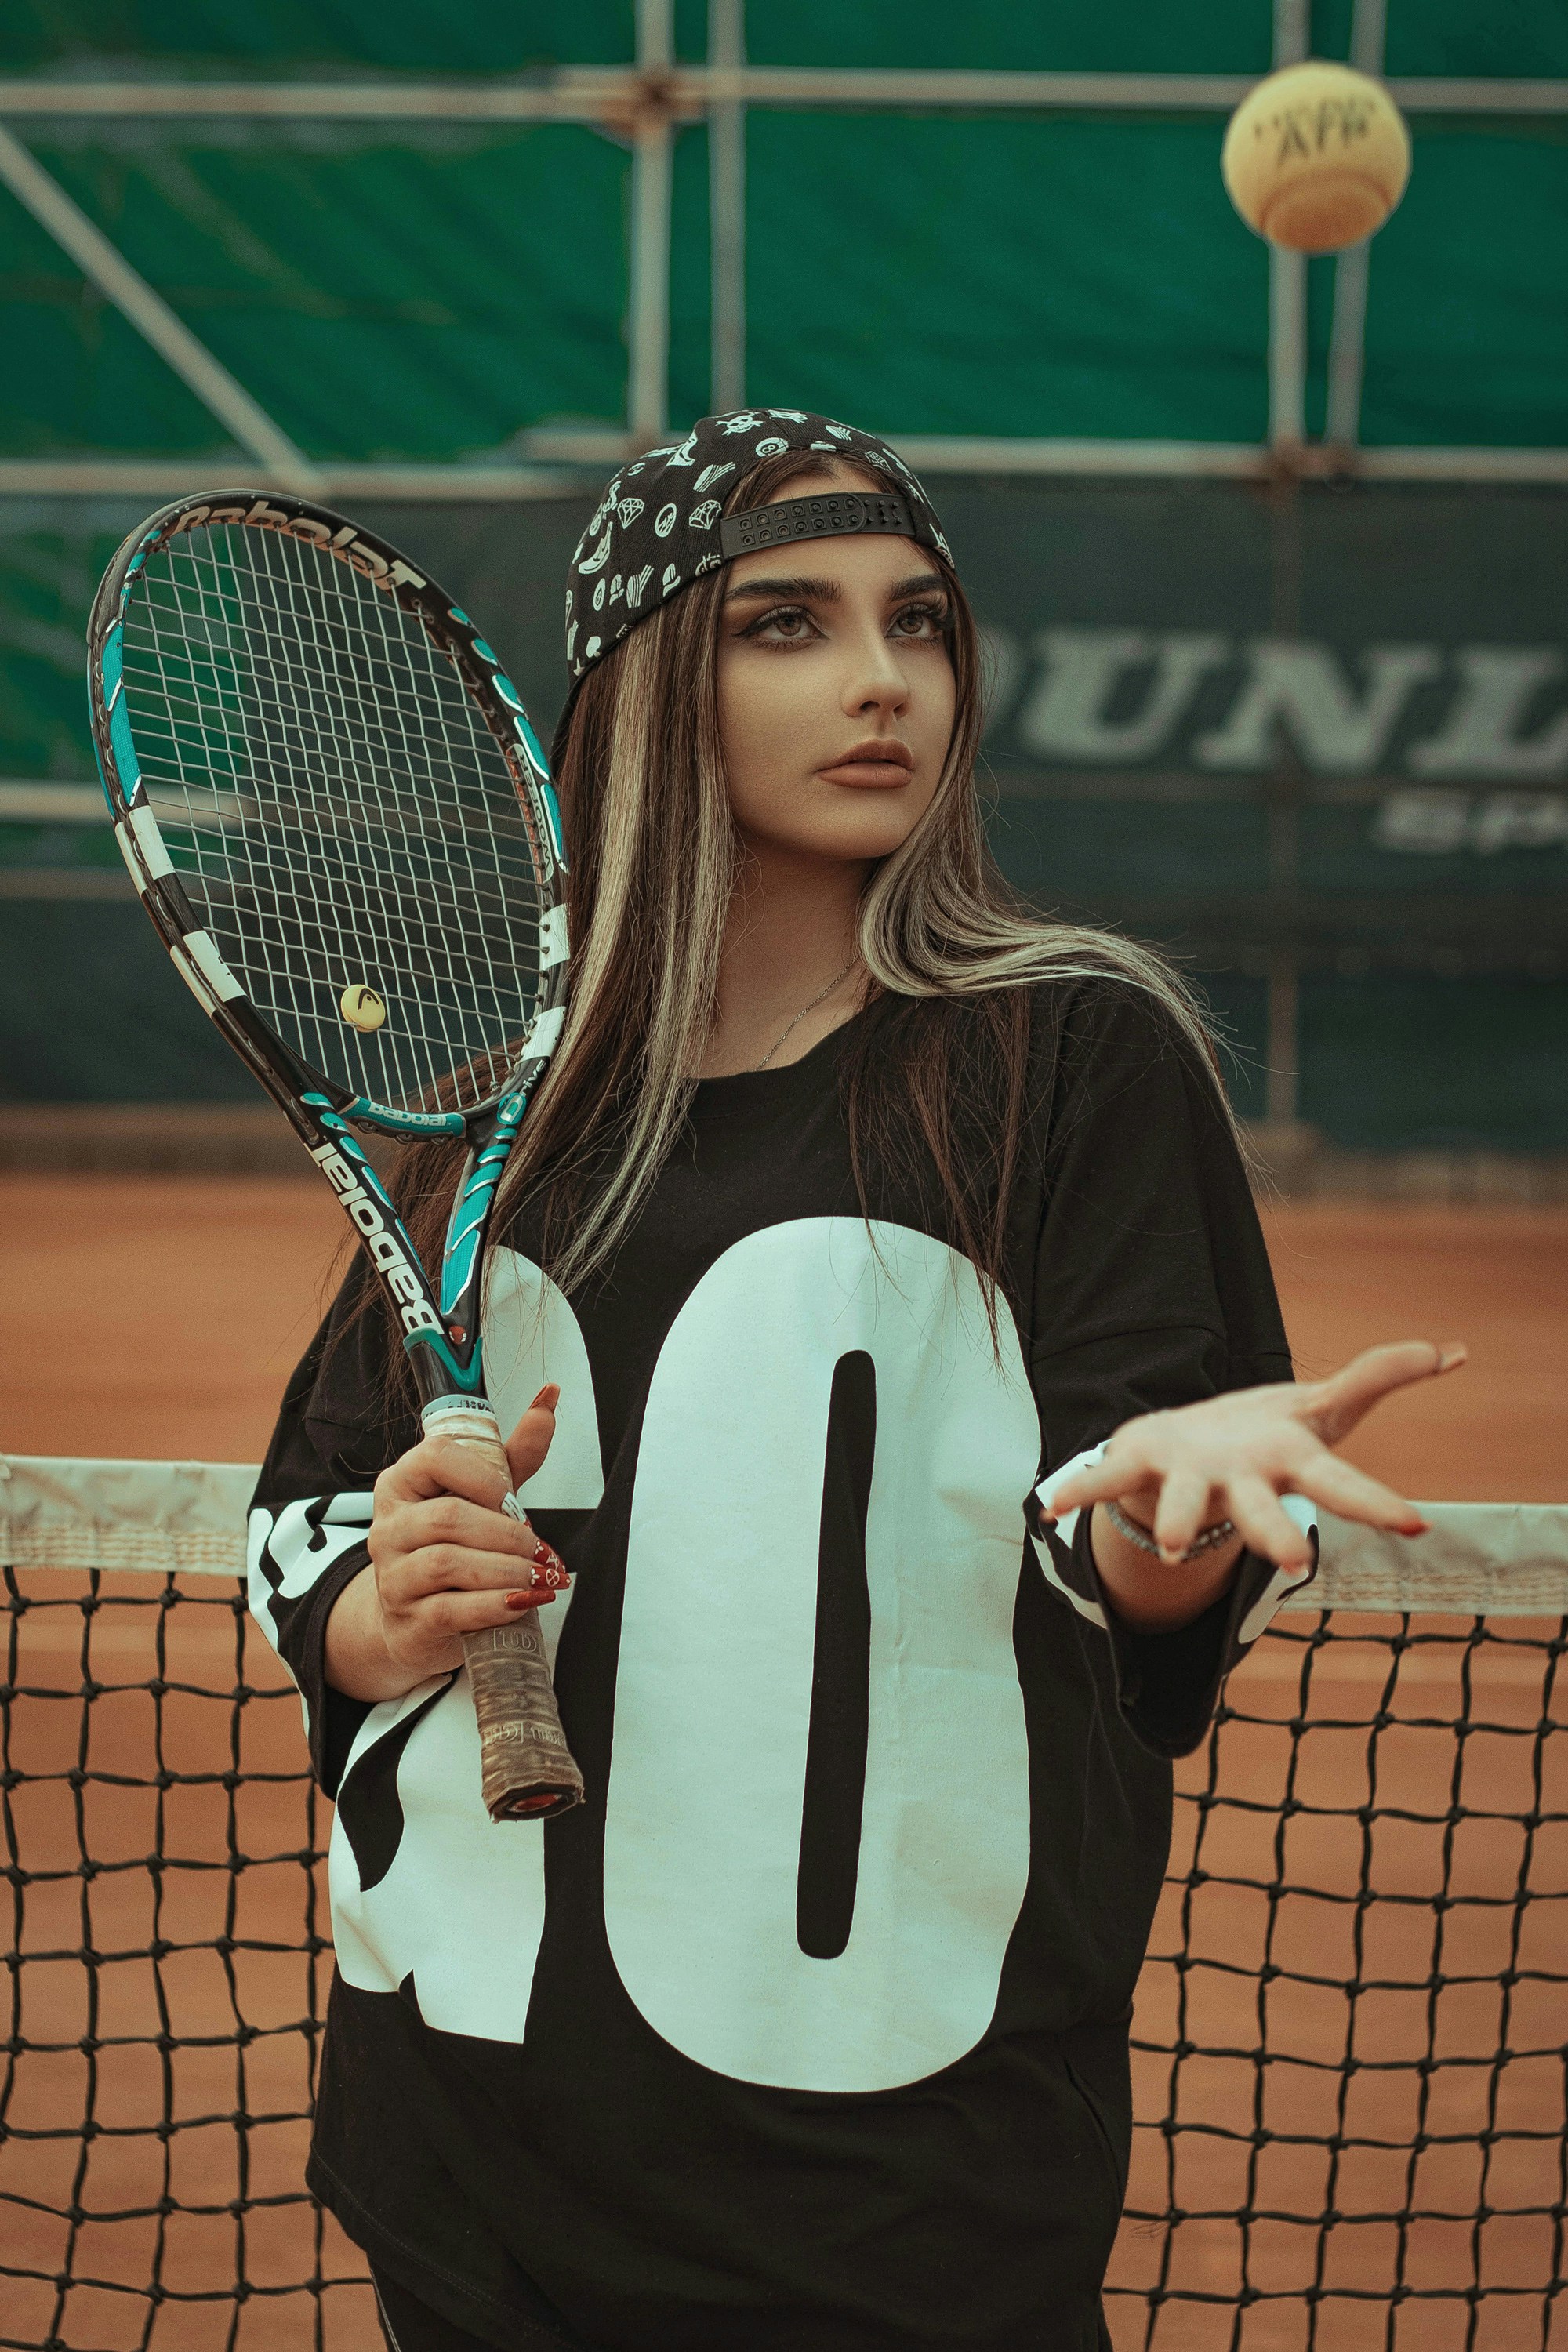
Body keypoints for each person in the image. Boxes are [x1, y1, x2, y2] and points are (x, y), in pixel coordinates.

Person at [249, 411, 1464, 2352]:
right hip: (473, 2160)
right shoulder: (496, 1132)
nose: (883, 680)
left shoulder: (1070, 1061)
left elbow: (1137, 1584)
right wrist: (377, 1606)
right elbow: (297, 1519)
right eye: (788, 625)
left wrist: (1166, 1498)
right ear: (651, 688)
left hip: (897, 2198)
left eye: (919, 623)